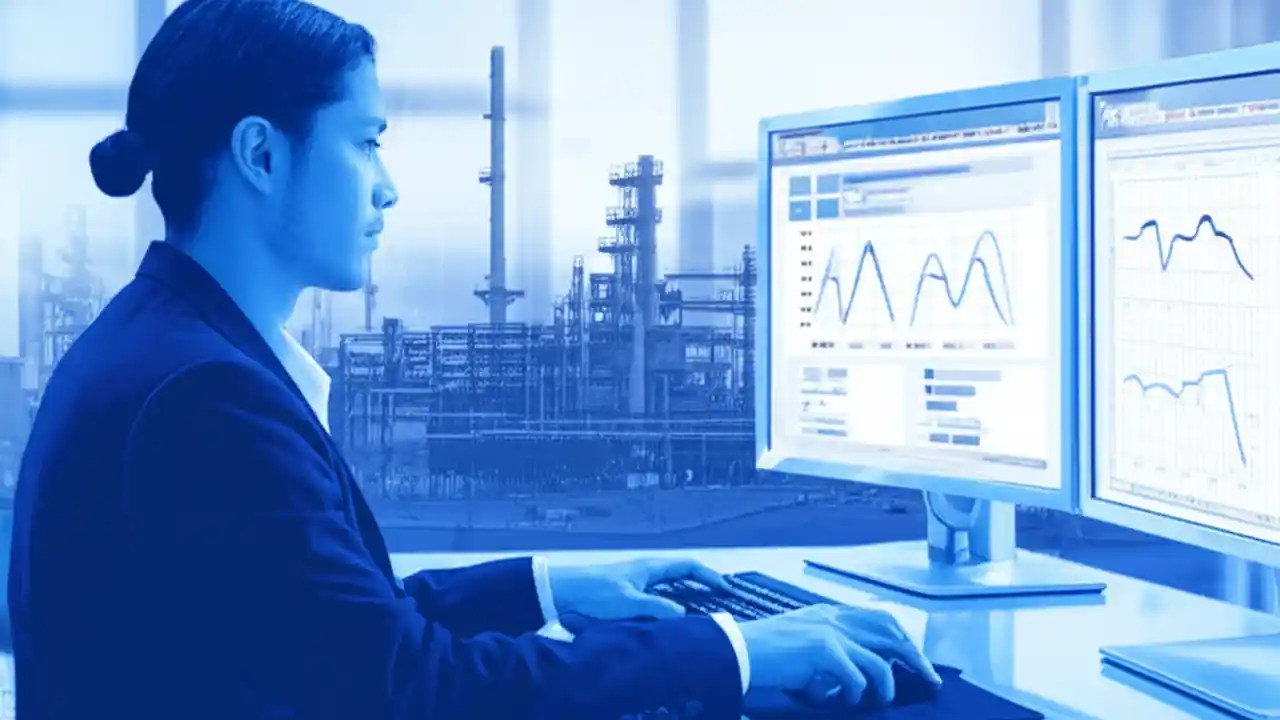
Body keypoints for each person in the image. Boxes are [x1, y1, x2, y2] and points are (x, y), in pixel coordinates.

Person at [7, 1, 940, 718]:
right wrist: (734, 653)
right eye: (366, 142)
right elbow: (409, 687)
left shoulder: (164, 342)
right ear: (261, 154)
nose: (387, 187)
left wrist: (549, 586)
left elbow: (328, 625)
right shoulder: (206, 396)